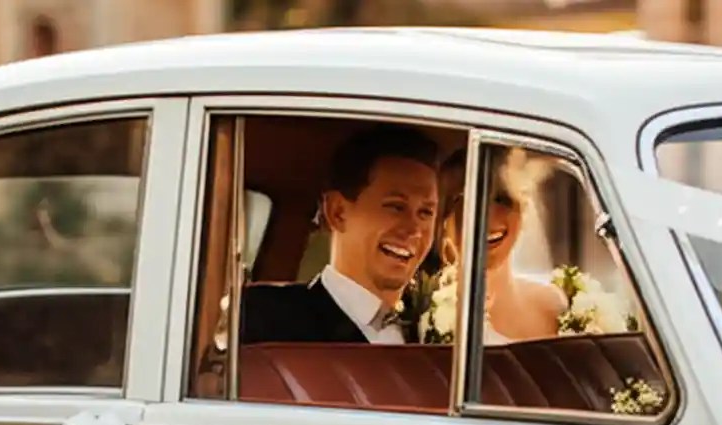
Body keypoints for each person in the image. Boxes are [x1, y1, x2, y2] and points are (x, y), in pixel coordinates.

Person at [240, 124, 440, 345]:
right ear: (338, 212)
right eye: (395, 207)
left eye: (425, 212)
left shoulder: (432, 333)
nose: (414, 229)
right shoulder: (266, 318)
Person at [435, 148, 566, 345]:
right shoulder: (429, 315)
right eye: (467, 201)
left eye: (502, 199)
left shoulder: (554, 306)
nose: (487, 217)